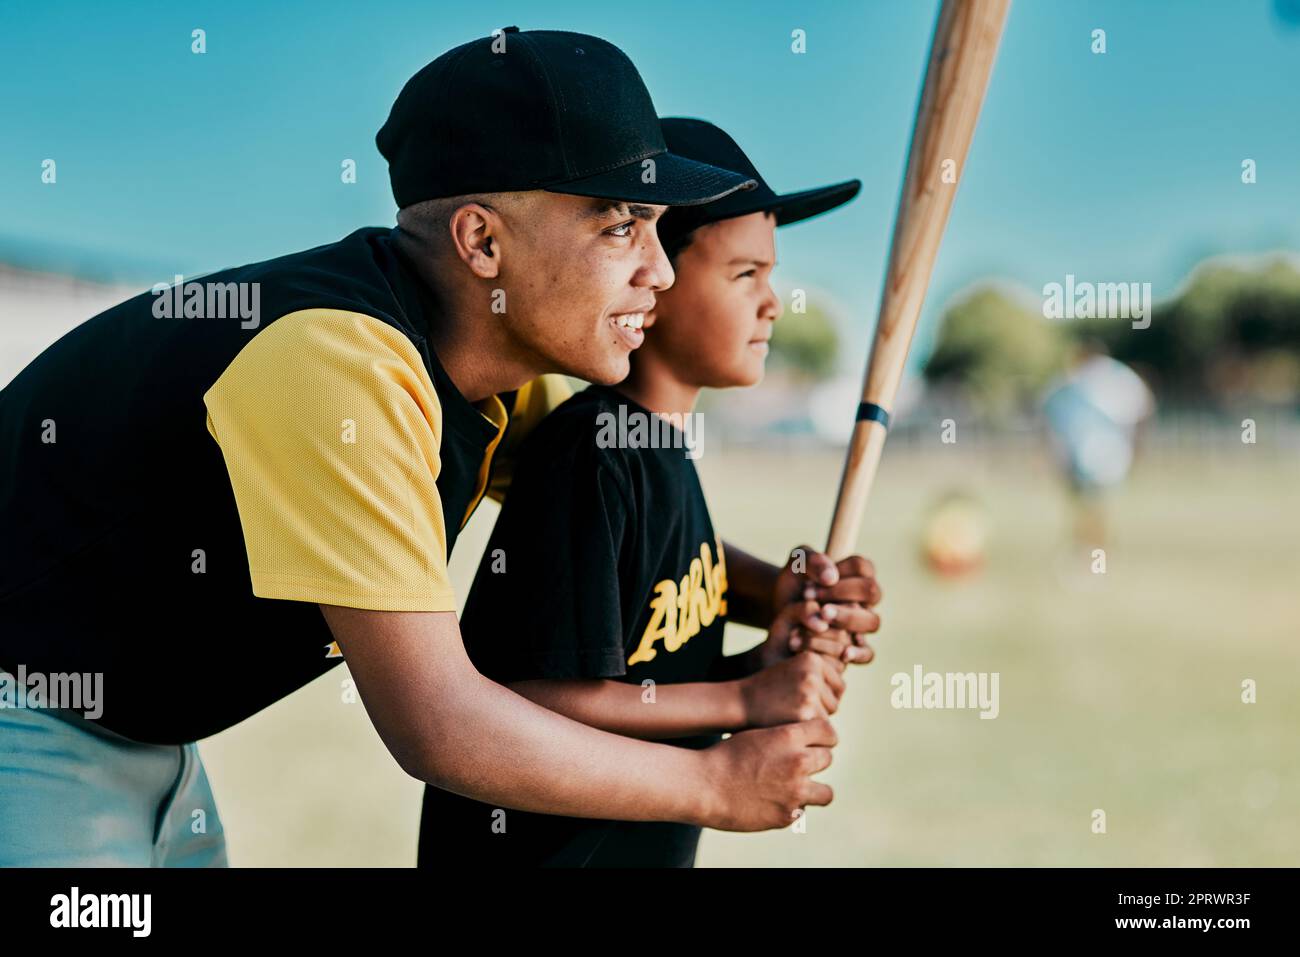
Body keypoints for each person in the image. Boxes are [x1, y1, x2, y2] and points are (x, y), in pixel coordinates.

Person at [0, 29, 856, 866]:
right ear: (482, 241)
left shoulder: (494, 371)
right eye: (620, 226)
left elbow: (607, 474)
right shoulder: (338, 366)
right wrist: (713, 782)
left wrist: (779, 588)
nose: (660, 272)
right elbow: (440, 723)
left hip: (137, 729)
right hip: (30, 719)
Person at [418, 118, 879, 867]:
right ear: (655, 276)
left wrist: (771, 652)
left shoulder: (657, 448)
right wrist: (745, 702)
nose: (774, 304)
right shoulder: (593, 450)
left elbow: (655, 688)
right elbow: (535, 699)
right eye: (746, 274)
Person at [1042, 339, 1155, 549]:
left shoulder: (1113, 380)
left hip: (1105, 458)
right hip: (1082, 458)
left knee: (1095, 508)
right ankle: (1088, 548)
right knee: (1085, 508)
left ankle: (1095, 550)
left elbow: (1140, 410)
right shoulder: (1070, 383)